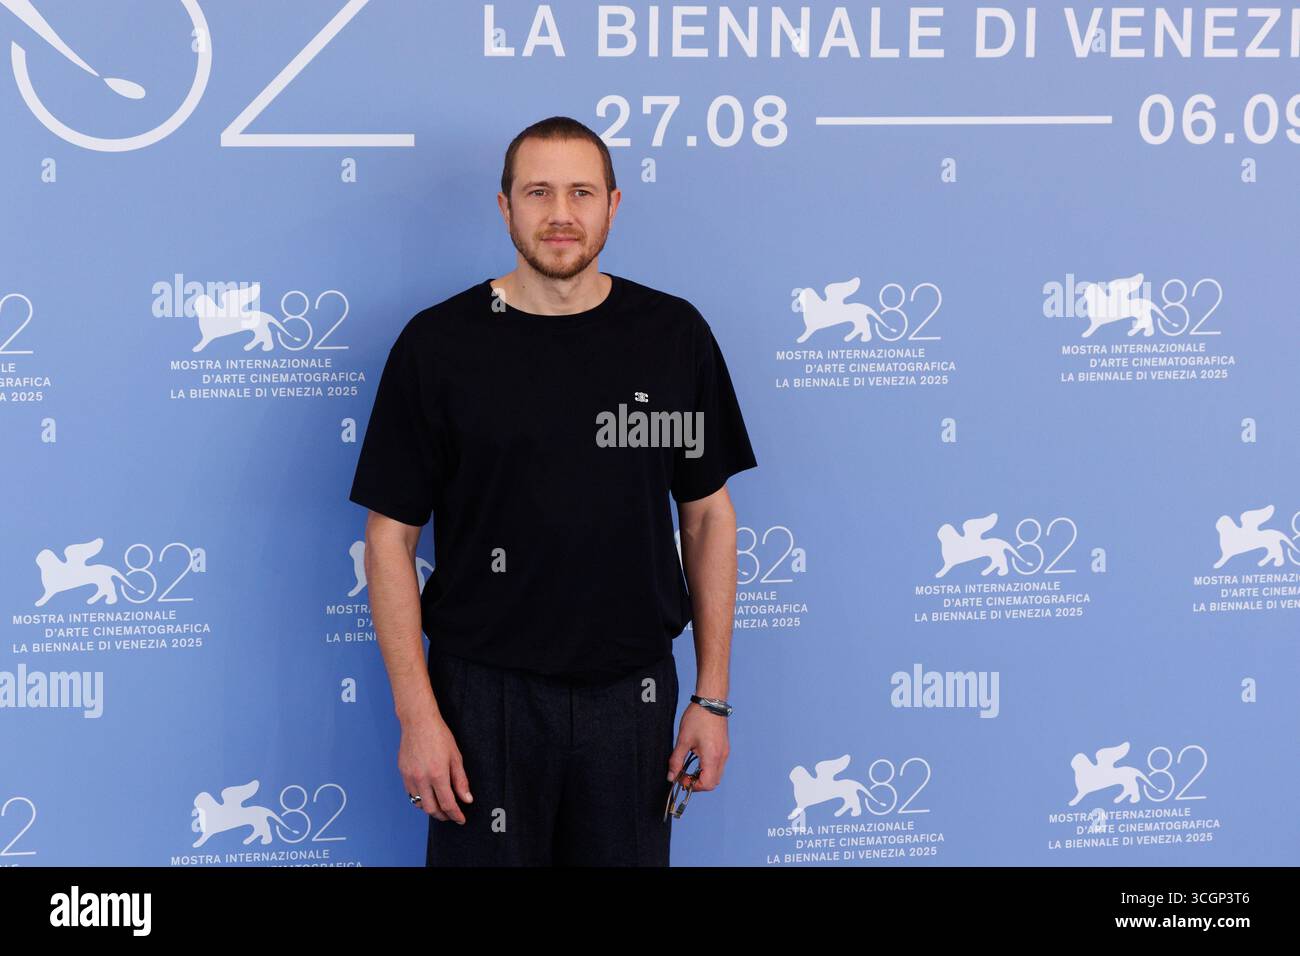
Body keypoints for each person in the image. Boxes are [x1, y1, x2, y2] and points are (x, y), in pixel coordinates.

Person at [348, 115, 758, 866]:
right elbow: (389, 539)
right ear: (505, 207)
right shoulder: (438, 346)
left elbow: (706, 521)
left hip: (631, 703)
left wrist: (712, 696)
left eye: (581, 193)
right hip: (481, 704)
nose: (561, 214)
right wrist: (418, 716)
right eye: (538, 192)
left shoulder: (672, 337)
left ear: (613, 205)